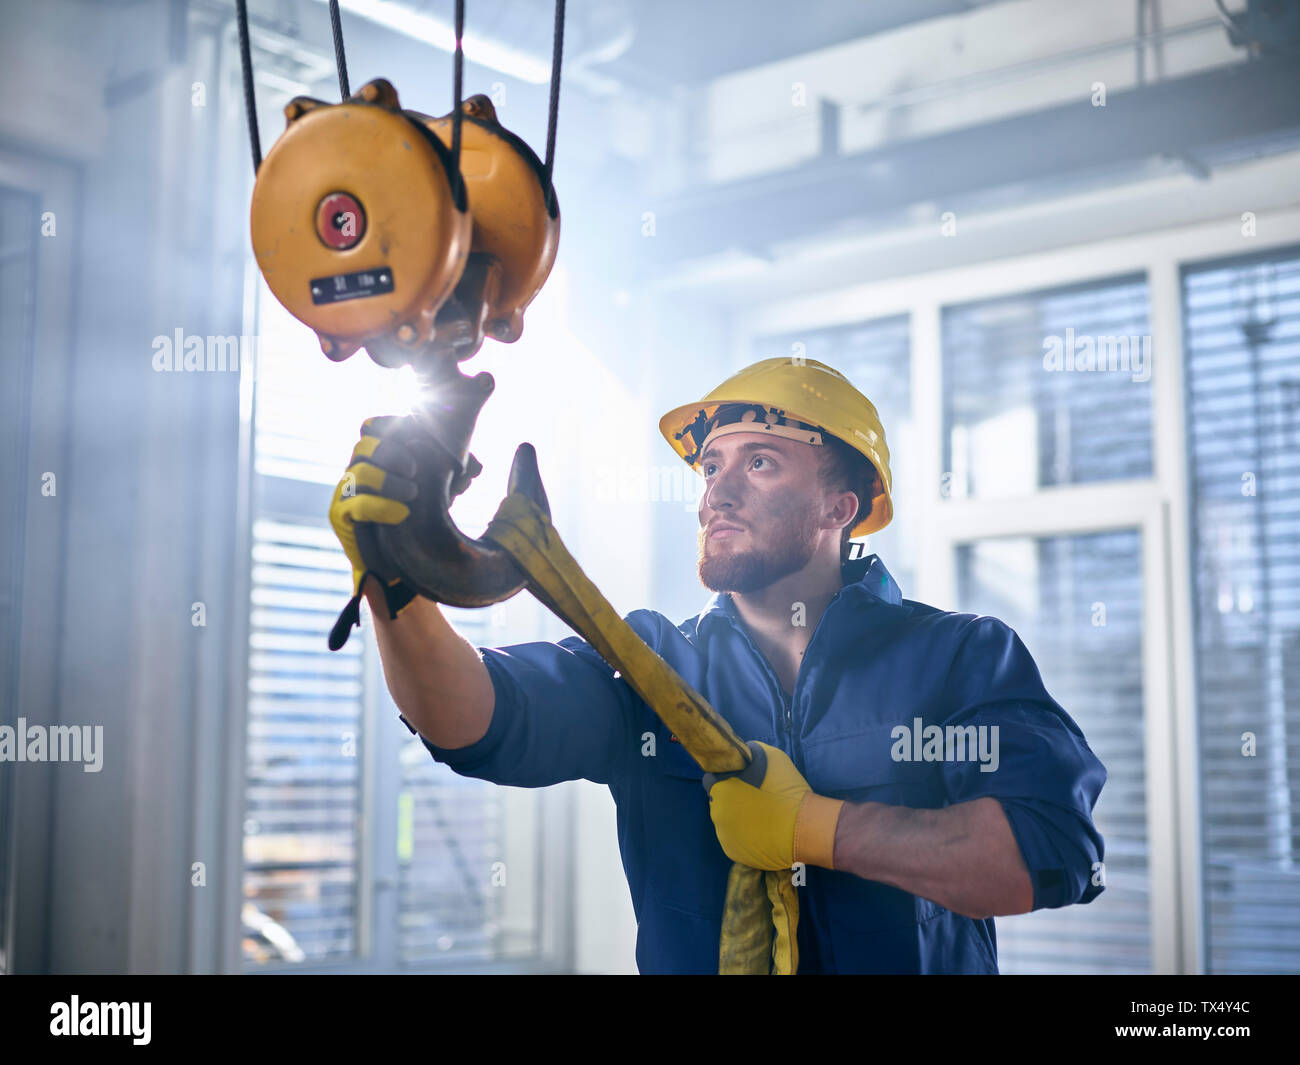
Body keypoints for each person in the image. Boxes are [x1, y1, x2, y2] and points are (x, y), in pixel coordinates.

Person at [328, 356, 1107, 974]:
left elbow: (1045, 852)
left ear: (843, 505)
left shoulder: (959, 659)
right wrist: (394, 579)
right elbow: (473, 718)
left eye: (760, 463)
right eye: (709, 467)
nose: (716, 494)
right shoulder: (650, 668)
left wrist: (812, 827)